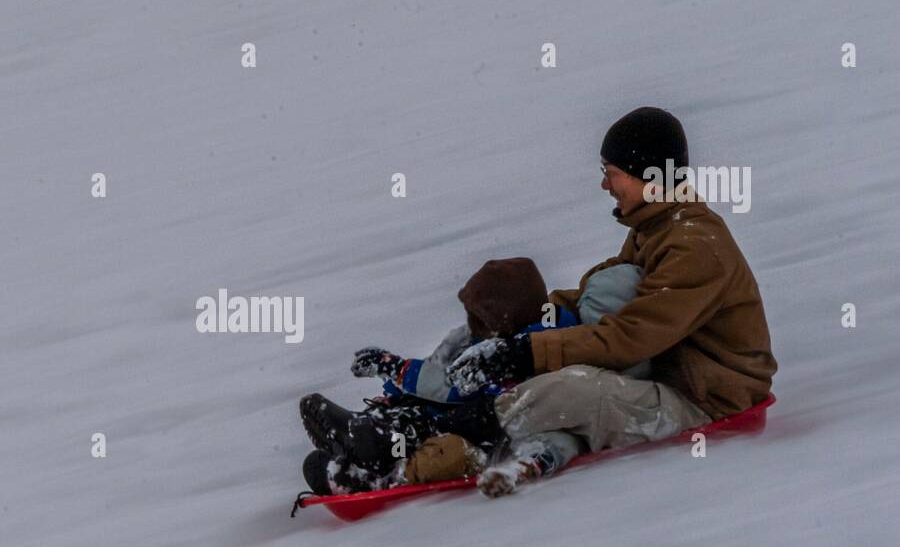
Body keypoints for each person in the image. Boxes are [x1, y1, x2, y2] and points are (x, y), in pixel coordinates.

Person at [432, 106, 777, 498]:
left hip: (705, 403)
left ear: (648, 176)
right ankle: (434, 412)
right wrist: (525, 323)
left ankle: (432, 435)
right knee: (560, 355)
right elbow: (594, 294)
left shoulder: (694, 246)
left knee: (567, 389)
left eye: (611, 174)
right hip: (661, 376)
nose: (605, 186)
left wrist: (524, 353)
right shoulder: (659, 227)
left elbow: (630, 337)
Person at [299, 256, 649, 496]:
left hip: (487, 441)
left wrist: (395, 367)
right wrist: (395, 392)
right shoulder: (493, 339)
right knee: (414, 414)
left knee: (443, 448)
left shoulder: (537, 351)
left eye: (480, 319)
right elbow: (441, 375)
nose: (473, 327)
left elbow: (454, 388)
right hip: (453, 418)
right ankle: (364, 432)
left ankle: (370, 468)